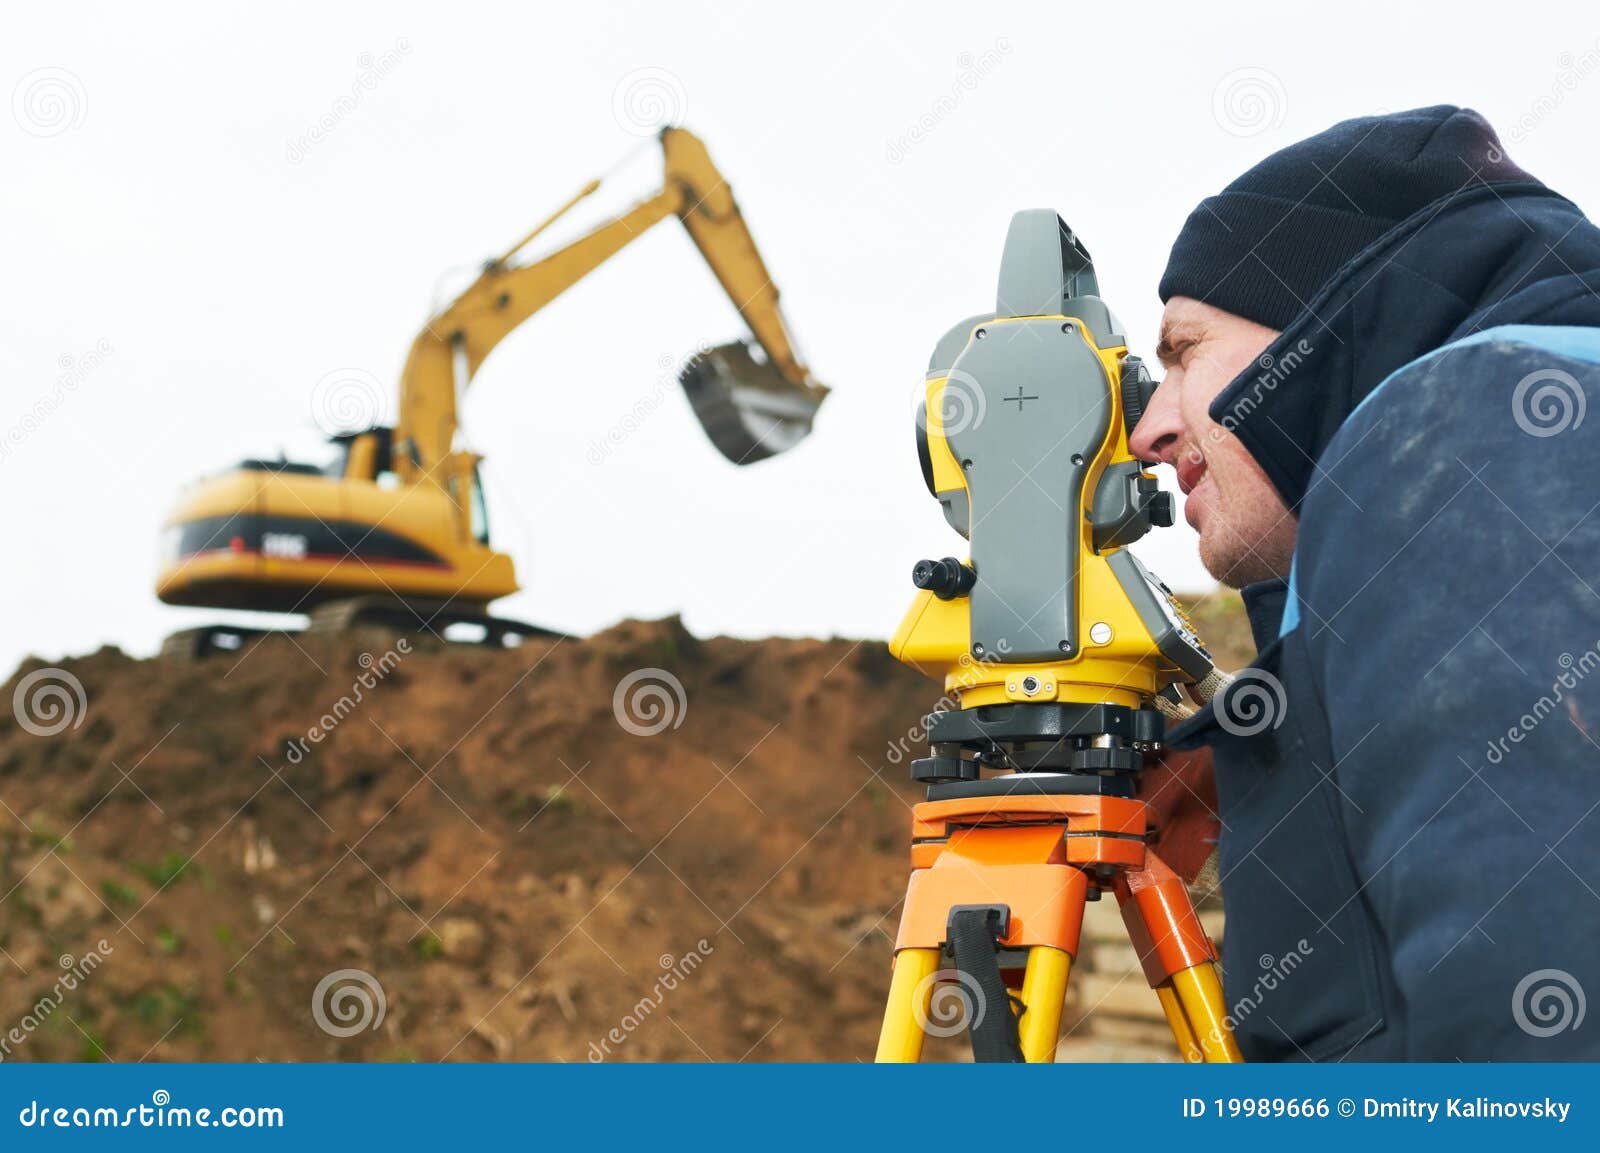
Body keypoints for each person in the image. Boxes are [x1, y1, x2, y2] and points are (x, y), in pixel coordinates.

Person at [1127, 105, 1600, 1060]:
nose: (1149, 430)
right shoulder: (1531, 430)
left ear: (1326, 324)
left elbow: (1541, 1003)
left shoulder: (1469, 431)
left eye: (1184, 353)